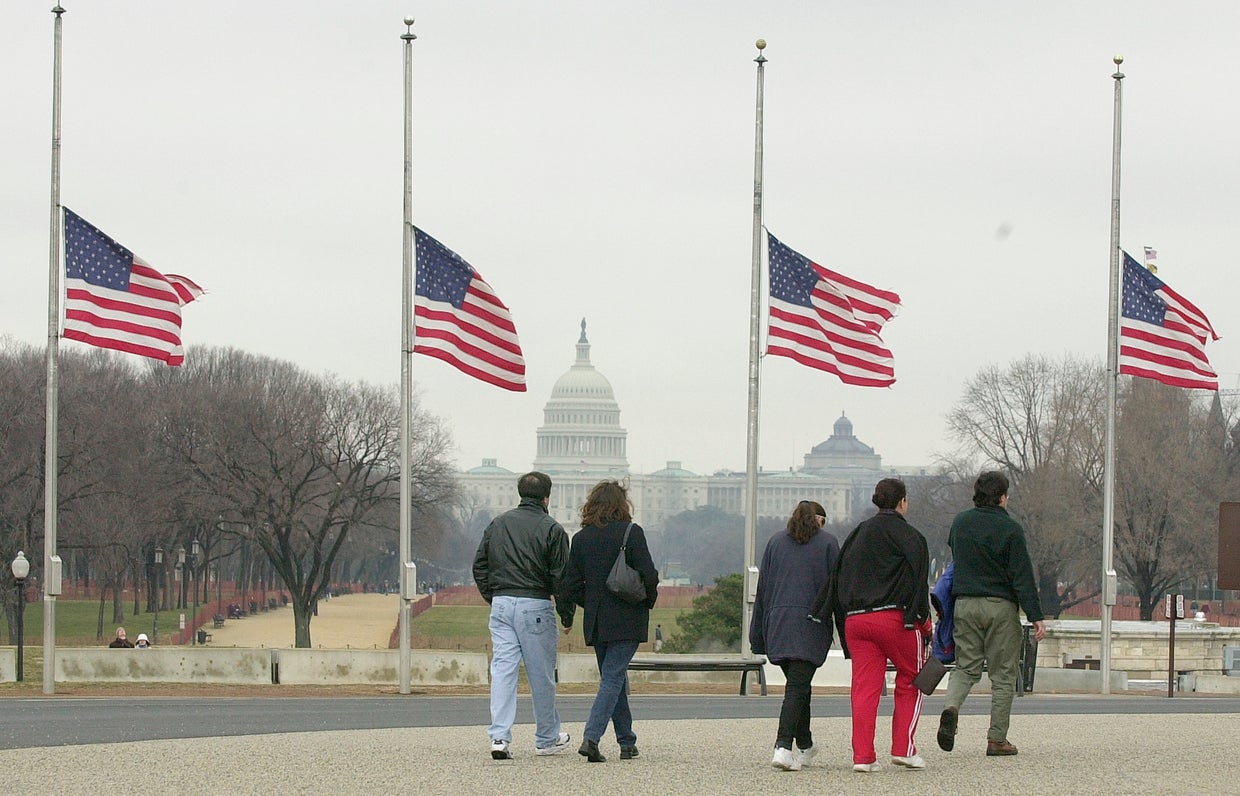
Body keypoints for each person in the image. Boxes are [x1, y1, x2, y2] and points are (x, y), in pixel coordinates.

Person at [823, 478, 931, 773]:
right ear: (902, 502)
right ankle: (903, 748)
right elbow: (918, 582)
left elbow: (840, 575)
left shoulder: (858, 534)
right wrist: (923, 620)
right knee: (912, 678)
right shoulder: (911, 536)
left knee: (864, 688)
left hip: (856, 620)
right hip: (895, 619)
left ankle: (864, 756)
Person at [937, 471, 1046, 758]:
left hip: (965, 604)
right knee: (1003, 674)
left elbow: (956, 554)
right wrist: (1036, 615)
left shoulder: (960, 522)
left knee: (966, 668)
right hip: (1000, 606)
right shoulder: (1010, 529)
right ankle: (997, 739)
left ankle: (951, 708)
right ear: (1001, 497)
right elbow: (1022, 577)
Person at [473, 471, 574, 760]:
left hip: (503, 603)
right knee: (540, 675)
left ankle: (499, 738)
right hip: (535, 604)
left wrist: (494, 597)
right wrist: (566, 616)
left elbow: (479, 565)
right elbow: (560, 577)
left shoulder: (498, 524)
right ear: (547, 497)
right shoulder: (553, 529)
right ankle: (546, 737)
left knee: (503, 671)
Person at [559, 480, 658, 764]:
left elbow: (571, 585)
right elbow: (648, 574)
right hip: (628, 616)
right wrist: (646, 600)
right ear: (621, 504)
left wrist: (591, 603)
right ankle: (591, 737)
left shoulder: (581, 539)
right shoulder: (632, 533)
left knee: (613, 678)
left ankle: (627, 742)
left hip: (597, 620)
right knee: (614, 678)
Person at [750, 500, 839, 772]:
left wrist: (757, 635)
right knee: (797, 688)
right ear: (819, 520)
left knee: (799, 686)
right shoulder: (828, 544)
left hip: (777, 622)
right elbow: (837, 588)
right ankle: (782, 745)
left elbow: (763, 590)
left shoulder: (775, 543)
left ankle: (806, 743)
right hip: (810, 623)